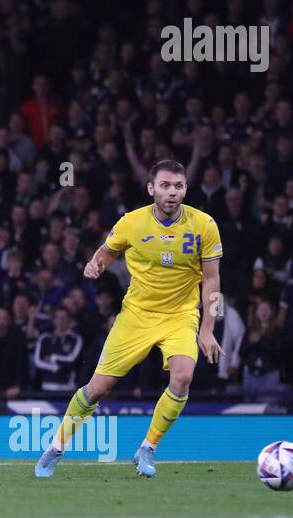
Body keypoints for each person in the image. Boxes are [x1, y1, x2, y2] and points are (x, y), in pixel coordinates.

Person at [36, 159, 223, 478]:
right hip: (136, 316)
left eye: (178, 186)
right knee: (98, 387)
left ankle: (147, 449)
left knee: (182, 377)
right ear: (151, 189)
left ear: (185, 189)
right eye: (165, 186)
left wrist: (208, 329)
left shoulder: (204, 225)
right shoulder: (131, 223)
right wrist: (96, 264)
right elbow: (106, 251)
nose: (172, 192)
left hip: (180, 316)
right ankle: (54, 448)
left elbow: (213, 281)